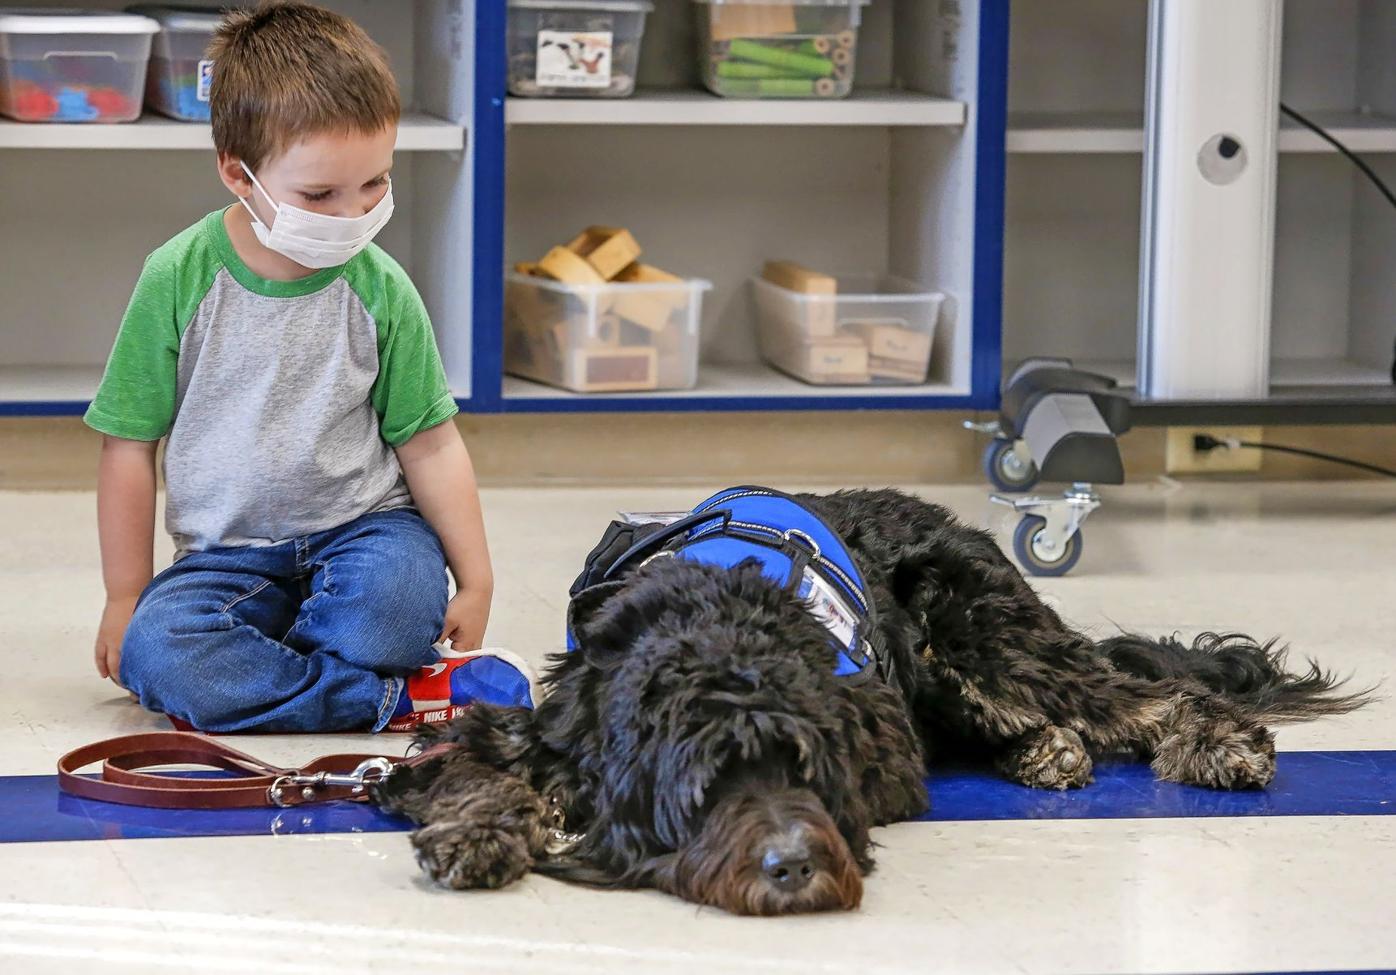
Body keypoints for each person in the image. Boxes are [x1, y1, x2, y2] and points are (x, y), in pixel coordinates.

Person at [85, 1, 534, 733]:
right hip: (225, 558)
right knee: (158, 654)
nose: (352, 214)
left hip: (367, 532)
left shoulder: (381, 286)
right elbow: (128, 445)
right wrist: (124, 594)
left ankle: (289, 677)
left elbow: (432, 443)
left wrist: (477, 577)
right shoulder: (177, 276)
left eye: (376, 183)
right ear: (239, 174)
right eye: (320, 194)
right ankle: (388, 699)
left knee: (387, 618)